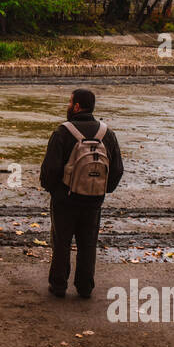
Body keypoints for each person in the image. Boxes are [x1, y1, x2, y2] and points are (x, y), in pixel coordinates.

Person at [38, 88, 124, 298]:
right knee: (88, 244)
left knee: (61, 242)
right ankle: (85, 287)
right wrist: (103, 191)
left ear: (76, 106)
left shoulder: (63, 132)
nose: (68, 105)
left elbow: (49, 170)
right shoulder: (107, 134)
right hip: (93, 200)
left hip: (65, 200)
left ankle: (58, 285)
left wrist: (55, 191)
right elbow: (118, 169)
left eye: (69, 102)